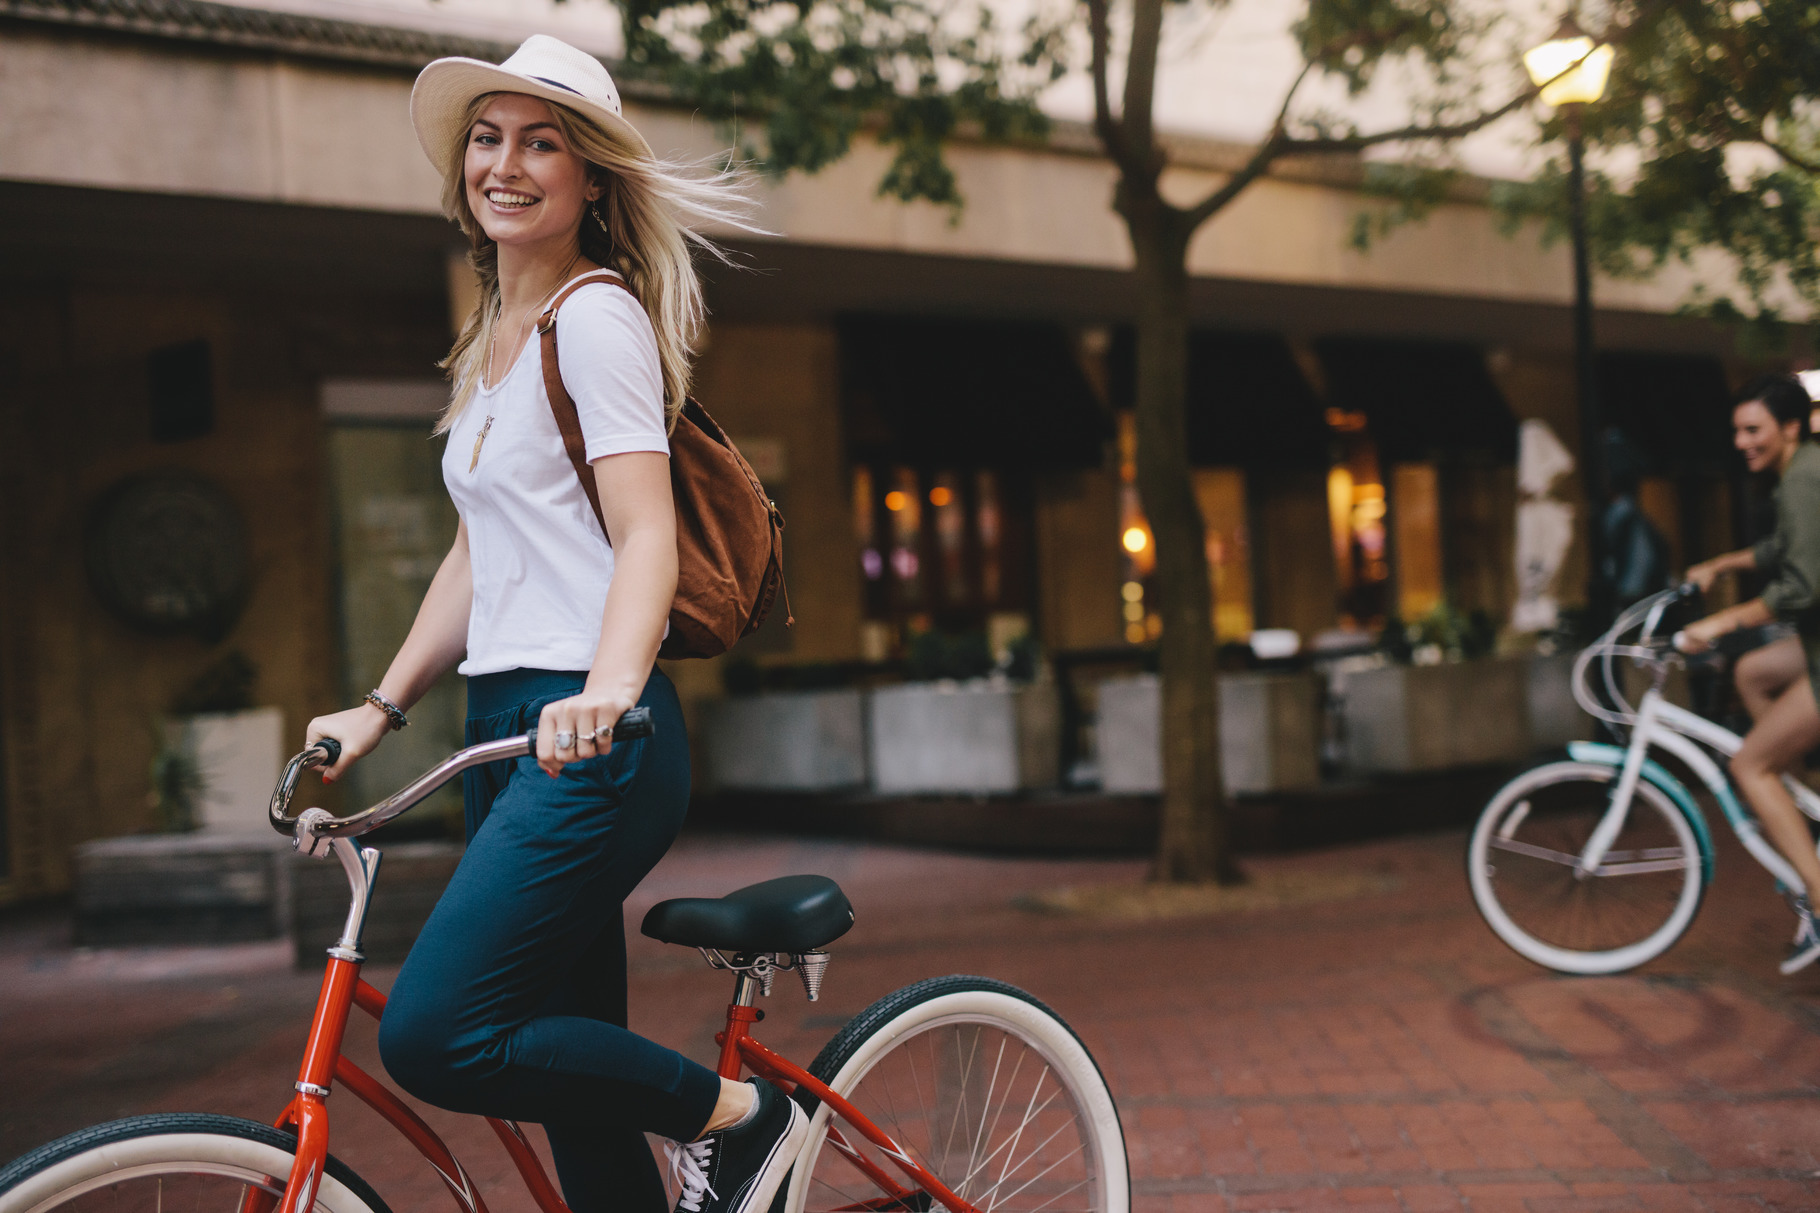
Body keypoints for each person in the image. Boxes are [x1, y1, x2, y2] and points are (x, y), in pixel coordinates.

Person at [302, 35, 803, 1213]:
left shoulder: (596, 319)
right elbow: (481, 553)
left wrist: (609, 689)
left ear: (589, 181)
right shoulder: (489, 346)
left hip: (595, 731)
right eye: (488, 139)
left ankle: (742, 1117)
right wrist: (377, 711)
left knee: (433, 1032)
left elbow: (646, 536)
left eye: (542, 143)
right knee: (566, 1083)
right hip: (502, 722)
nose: (506, 164)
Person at [1680, 373, 1820, 974]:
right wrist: (1719, 565)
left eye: (1752, 429)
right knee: (1754, 672)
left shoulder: (1804, 481)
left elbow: (1802, 584)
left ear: (1789, 427)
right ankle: (1805, 800)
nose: (1741, 441)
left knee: (1748, 765)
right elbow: (1776, 553)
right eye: (1737, 430)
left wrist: (1718, 623)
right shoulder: (1802, 472)